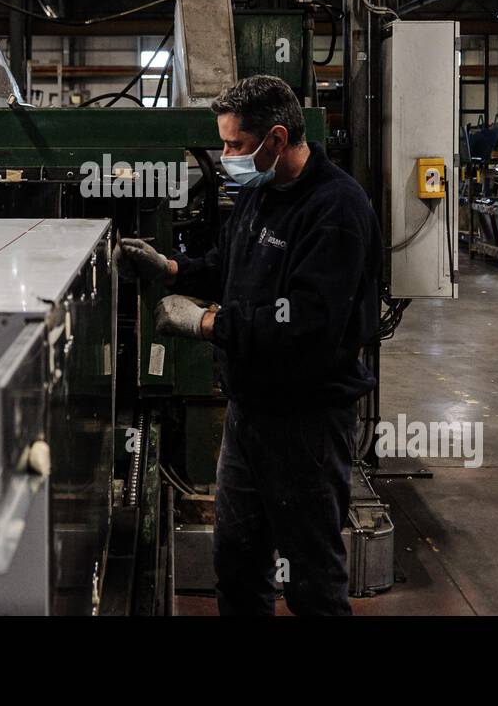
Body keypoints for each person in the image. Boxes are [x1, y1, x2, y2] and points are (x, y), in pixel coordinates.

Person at [119, 75, 381, 616]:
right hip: (248, 417)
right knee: (237, 565)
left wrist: (206, 325)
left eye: (235, 145)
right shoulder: (259, 195)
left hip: (306, 423)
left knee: (312, 579)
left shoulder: (337, 211)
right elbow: (226, 266)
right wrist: (171, 269)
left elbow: (305, 327)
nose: (225, 155)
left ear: (277, 138)